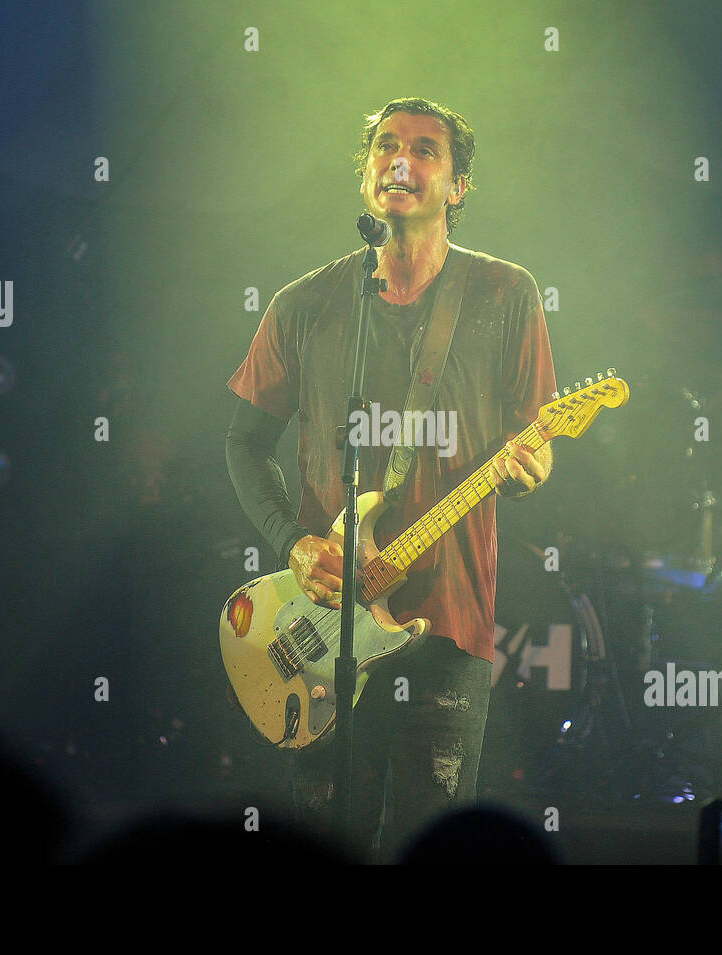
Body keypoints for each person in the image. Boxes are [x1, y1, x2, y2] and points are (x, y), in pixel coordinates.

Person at [225, 97, 556, 860]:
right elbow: (243, 443)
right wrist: (296, 540)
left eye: (425, 149)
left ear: (458, 186)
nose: (399, 159)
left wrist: (531, 467)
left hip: (447, 622)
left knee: (432, 844)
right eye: (384, 145)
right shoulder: (304, 304)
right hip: (322, 622)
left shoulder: (507, 295)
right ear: (367, 172)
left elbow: (537, 437)